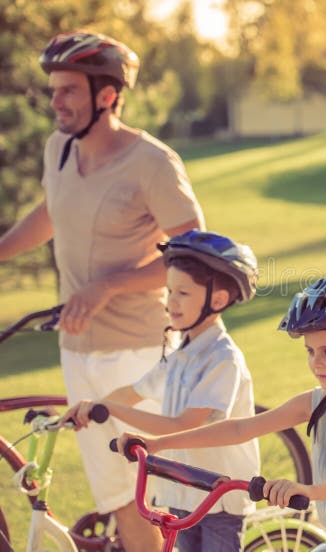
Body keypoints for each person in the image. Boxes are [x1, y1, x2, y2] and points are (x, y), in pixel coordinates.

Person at [0, 31, 205, 551]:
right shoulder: (59, 150)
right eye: (53, 91)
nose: (55, 102)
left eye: (68, 90)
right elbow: (52, 212)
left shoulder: (152, 163)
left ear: (107, 95)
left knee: (144, 494)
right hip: (77, 352)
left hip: (136, 352)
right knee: (114, 493)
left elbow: (195, 258)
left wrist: (110, 286)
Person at [117, 272, 326, 552]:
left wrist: (307, 490)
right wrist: (158, 444)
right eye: (310, 351)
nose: (315, 362)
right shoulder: (317, 402)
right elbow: (239, 429)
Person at [62, 230, 261, 552]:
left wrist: (112, 410)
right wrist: (91, 405)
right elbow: (133, 391)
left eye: (182, 292)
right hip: (183, 491)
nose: (171, 302)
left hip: (218, 496)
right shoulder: (180, 353)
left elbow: (185, 425)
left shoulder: (223, 359)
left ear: (218, 300)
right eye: (169, 291)